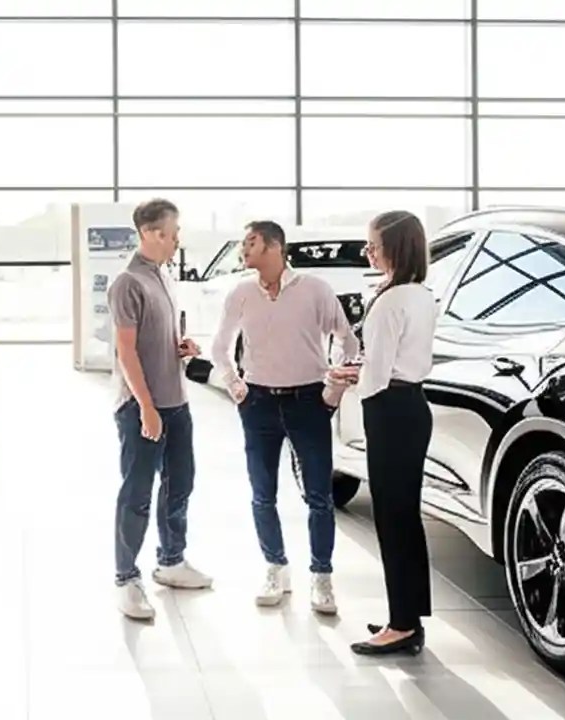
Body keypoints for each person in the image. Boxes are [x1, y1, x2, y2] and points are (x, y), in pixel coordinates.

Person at [210, 221, 359, 613]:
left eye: (251, 241)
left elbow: (348, 340)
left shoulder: (315, 290)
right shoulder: (241, 293)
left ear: (275, 246)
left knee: (319, 496)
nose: (244, 248)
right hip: (257, 403)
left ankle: (321, 577)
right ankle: (275, 567)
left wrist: (334, 388)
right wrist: (235, 387)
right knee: (262, 494)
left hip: (308, 401)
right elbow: (219, 347)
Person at [327, 210, 436, 656]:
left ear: (395, 247)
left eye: (373, 244)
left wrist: (348, 376)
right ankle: (408, 616)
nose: (367, 252)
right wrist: (366, 370)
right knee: (405, 517)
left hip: (389, 409)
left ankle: (402, 624)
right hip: (413, 406)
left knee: (392, 520)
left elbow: (378, 368)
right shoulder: (420, 294)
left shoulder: (390, 299)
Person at [109, 198, 213, 621]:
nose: (176, 240)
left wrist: (183, 348)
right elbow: (126, 351)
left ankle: (171, 561)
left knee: (180, 484)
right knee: (136, 494)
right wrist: (146, 408)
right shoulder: (127, 283)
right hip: (141, 407)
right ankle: (126, 578)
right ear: (150, 233)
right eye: (171, 233)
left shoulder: (164, 278)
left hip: (177, 402)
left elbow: (157, 339)